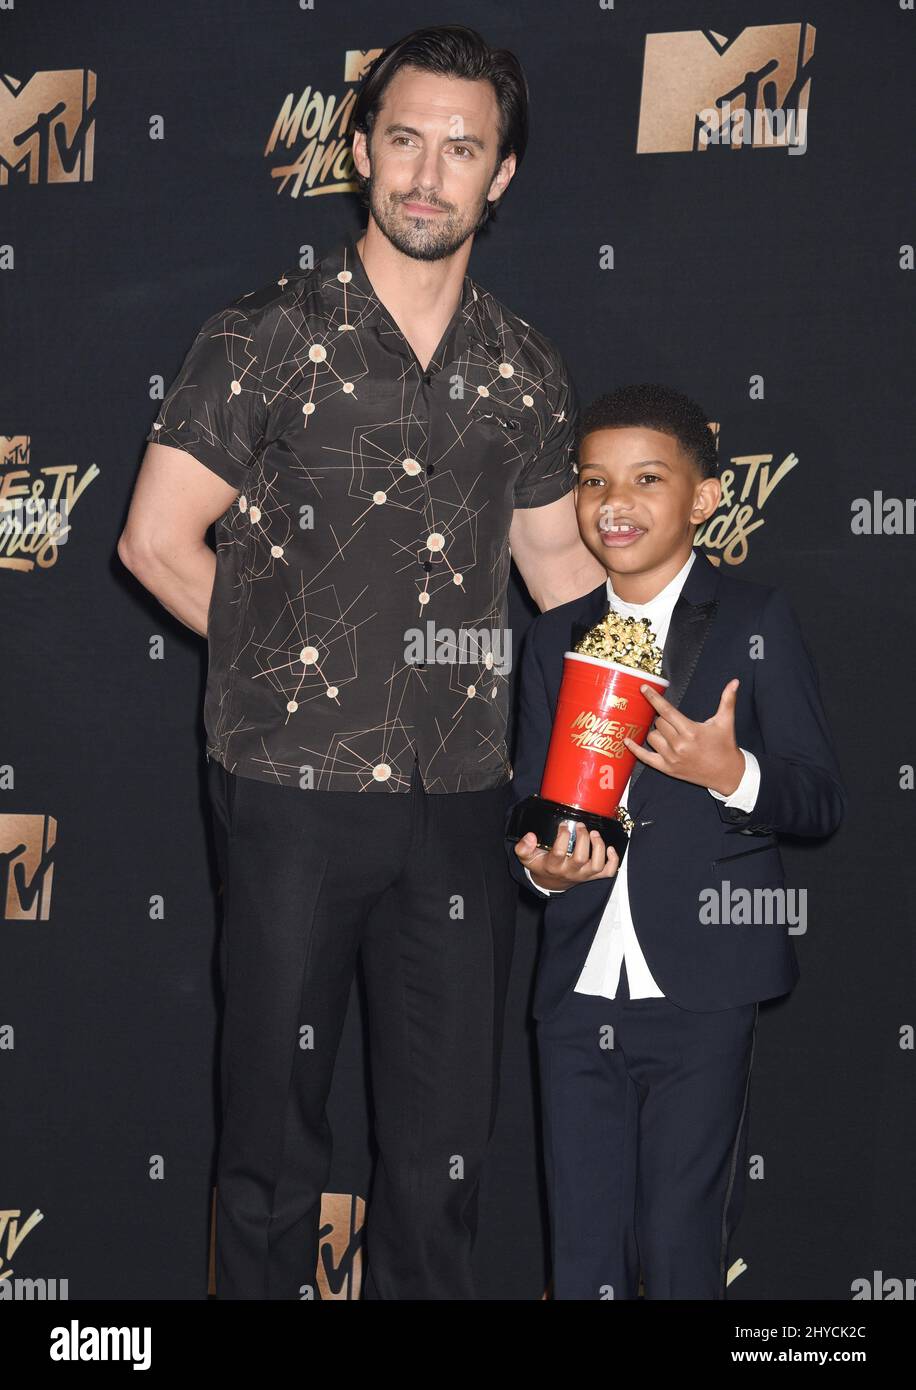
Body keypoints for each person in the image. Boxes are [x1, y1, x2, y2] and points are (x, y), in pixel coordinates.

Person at [117, 24, 604, 1300]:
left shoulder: (524, 369)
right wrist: (302, 671)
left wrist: (589, 788)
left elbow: (563, 584)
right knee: (271, 1155)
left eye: (462, 147)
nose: (428, 174)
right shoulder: (263, 334)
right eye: (405, 140)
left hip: (461, 813)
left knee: (441, 1167)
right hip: (287, 798)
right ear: (358, 150)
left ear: (500, 176)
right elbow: (158, 543)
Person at [507, 383, 846, 1299]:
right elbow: (532, 807)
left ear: (703, 499)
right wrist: (541, 870)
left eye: (647, 479)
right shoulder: (551, 641)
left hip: (703, 985)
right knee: (580, 1250)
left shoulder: (754, 620)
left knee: (679, 1244)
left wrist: (728, 773)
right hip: (576, 988)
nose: (614, 503)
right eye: (592, 481)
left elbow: (819, 798)